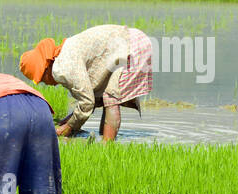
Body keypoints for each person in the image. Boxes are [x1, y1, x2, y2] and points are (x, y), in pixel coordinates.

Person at [18, 24, 153, 141]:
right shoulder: (65, 54)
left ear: (46, 68)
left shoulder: (62, 67)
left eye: (42, 79)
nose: (46, 84)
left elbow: (87, 102)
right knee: (108, 98)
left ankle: (108, 148)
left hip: (132, 45)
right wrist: (72, 118)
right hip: (131, 40)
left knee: (111, 97)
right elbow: (90, 98)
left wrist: (68, 127)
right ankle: (105, 141)